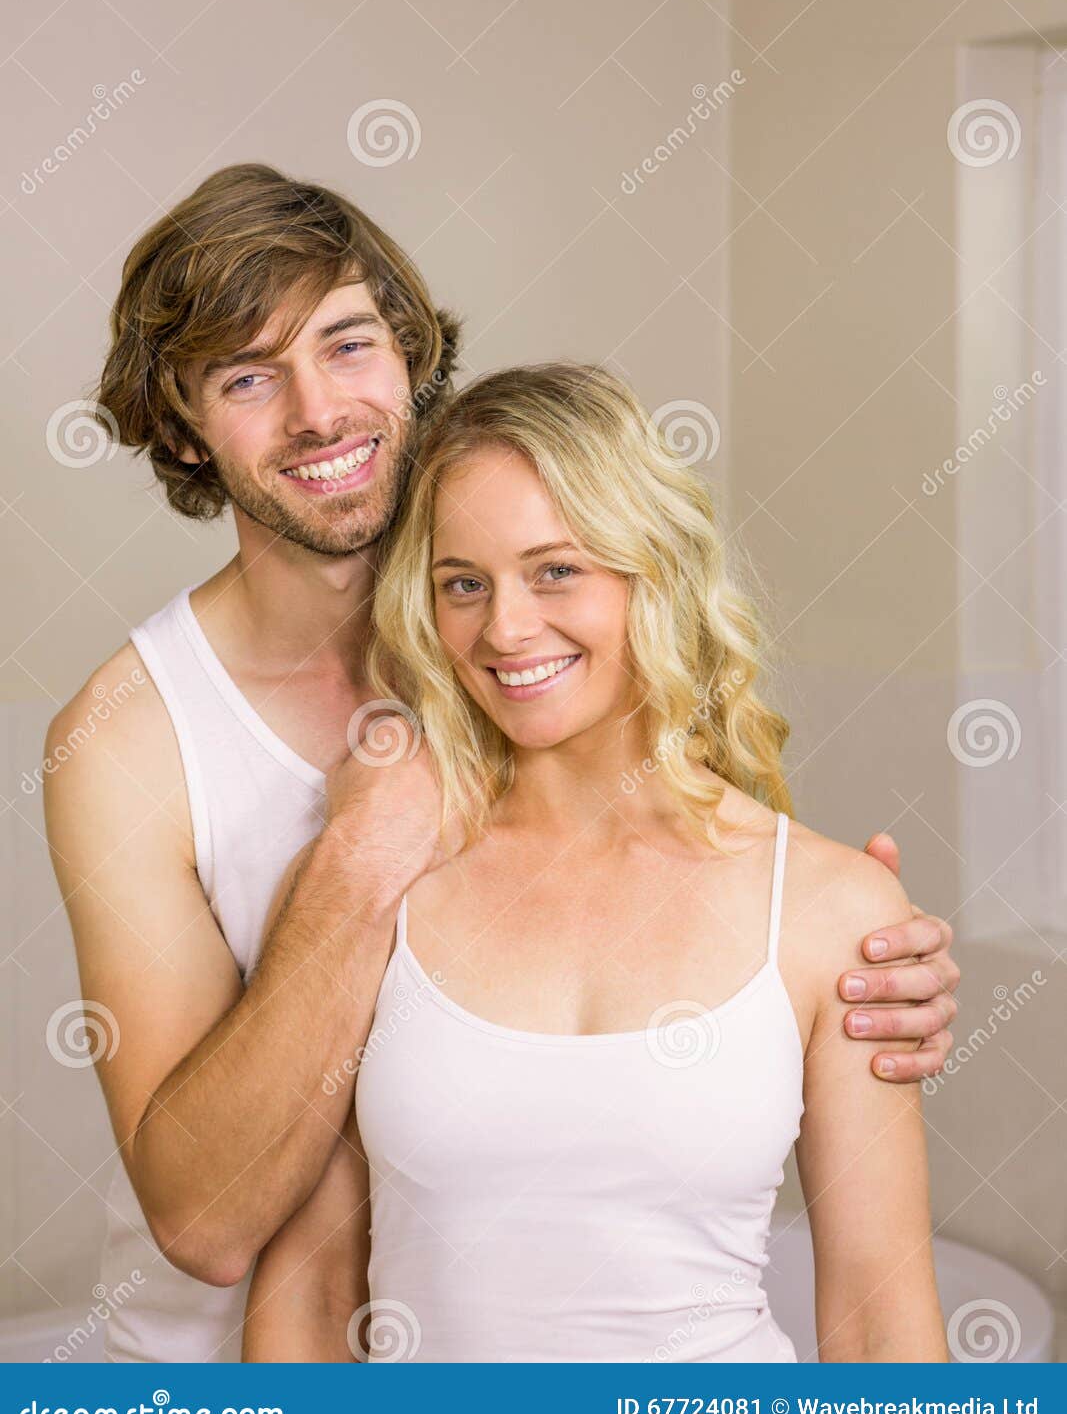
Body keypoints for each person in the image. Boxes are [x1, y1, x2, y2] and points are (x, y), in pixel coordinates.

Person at [45, 166, 957, 1365]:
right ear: (181, 423)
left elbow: (688, 869)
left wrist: (858, 952)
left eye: (349, 344)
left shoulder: (518, 625)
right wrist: (364, 854)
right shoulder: (125, 740)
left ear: (410, 357)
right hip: (219, 1375)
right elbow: (209, 1224)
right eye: (247, 378)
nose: (319, 413)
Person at [244, 363, 949, 1363]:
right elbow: (308, 1298)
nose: (504, 628)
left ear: (648, 571)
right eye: (463, 584)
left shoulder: (831, 908)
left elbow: (884, 1337)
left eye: (555, 569)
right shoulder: (373, 880)